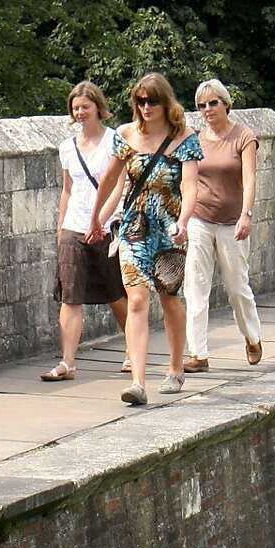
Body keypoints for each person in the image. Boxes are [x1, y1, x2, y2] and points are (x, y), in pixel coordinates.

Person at [85, 73, 202, 406]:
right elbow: (110, 179)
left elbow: (190, 186)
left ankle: (176, 367)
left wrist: (183, 221)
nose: (146, 107)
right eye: (140, 101)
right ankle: (138, 382)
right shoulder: (126, 134)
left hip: (169, 231)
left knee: (169, 299)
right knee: (136, 300)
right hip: (134, 228)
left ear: (165, 103)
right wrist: (96, 218)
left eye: (152, 101)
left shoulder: (184, 138)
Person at [40, 82, 127, 382]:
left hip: (107, 225)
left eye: (85, 107)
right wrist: (61, 226)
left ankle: (133, 350)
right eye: (75, 108)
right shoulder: (67, 147)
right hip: (74, 227)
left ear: (98, 108)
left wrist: (99, 221)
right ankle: (67, 362)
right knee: (70, 296)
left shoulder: (115, 141)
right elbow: (68, 189)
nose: (80, 112)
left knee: (115, 291)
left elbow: (118, 185)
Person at [182, 79, 265, 373]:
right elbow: (188, 180)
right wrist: (183, 219)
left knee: (236, 287)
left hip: (232, 222)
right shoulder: (195, 139)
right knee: (195, 286)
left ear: (226, 104)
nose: (207, 109)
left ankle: (252, 337)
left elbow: (249, 179)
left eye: (213, 103)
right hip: (200, 218)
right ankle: (198, 354)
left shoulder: (244, 136)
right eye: (201, 105)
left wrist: (246, 214)